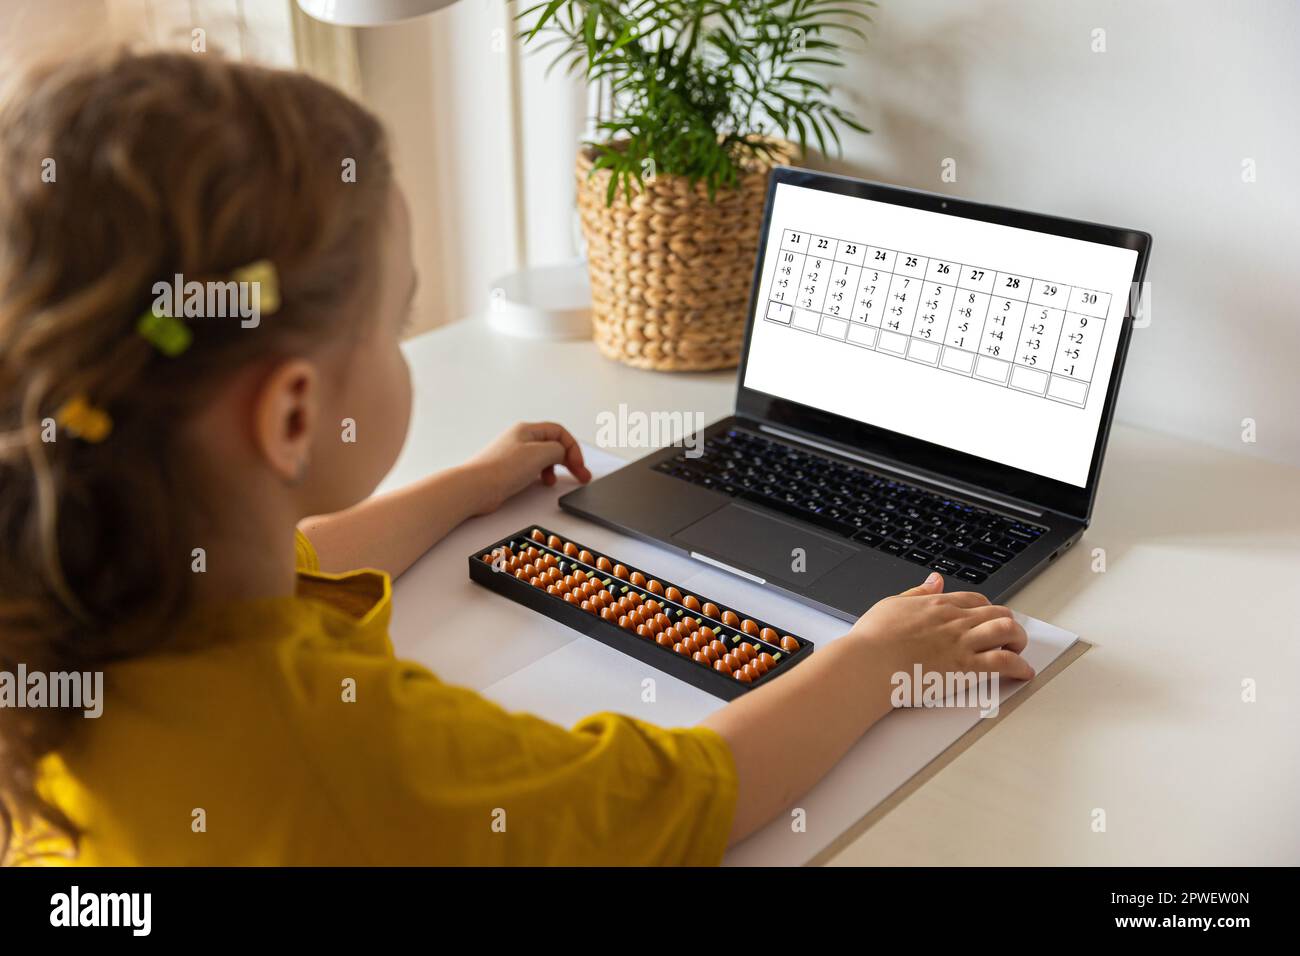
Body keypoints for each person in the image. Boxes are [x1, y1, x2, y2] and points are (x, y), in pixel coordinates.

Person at [0, 49, 1032, 865]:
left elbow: (303, 550)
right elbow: (676, 800)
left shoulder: (83, 601)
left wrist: (465, 484)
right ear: (291, 415)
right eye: (396, 322)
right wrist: (876, 657)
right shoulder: (355, 755)